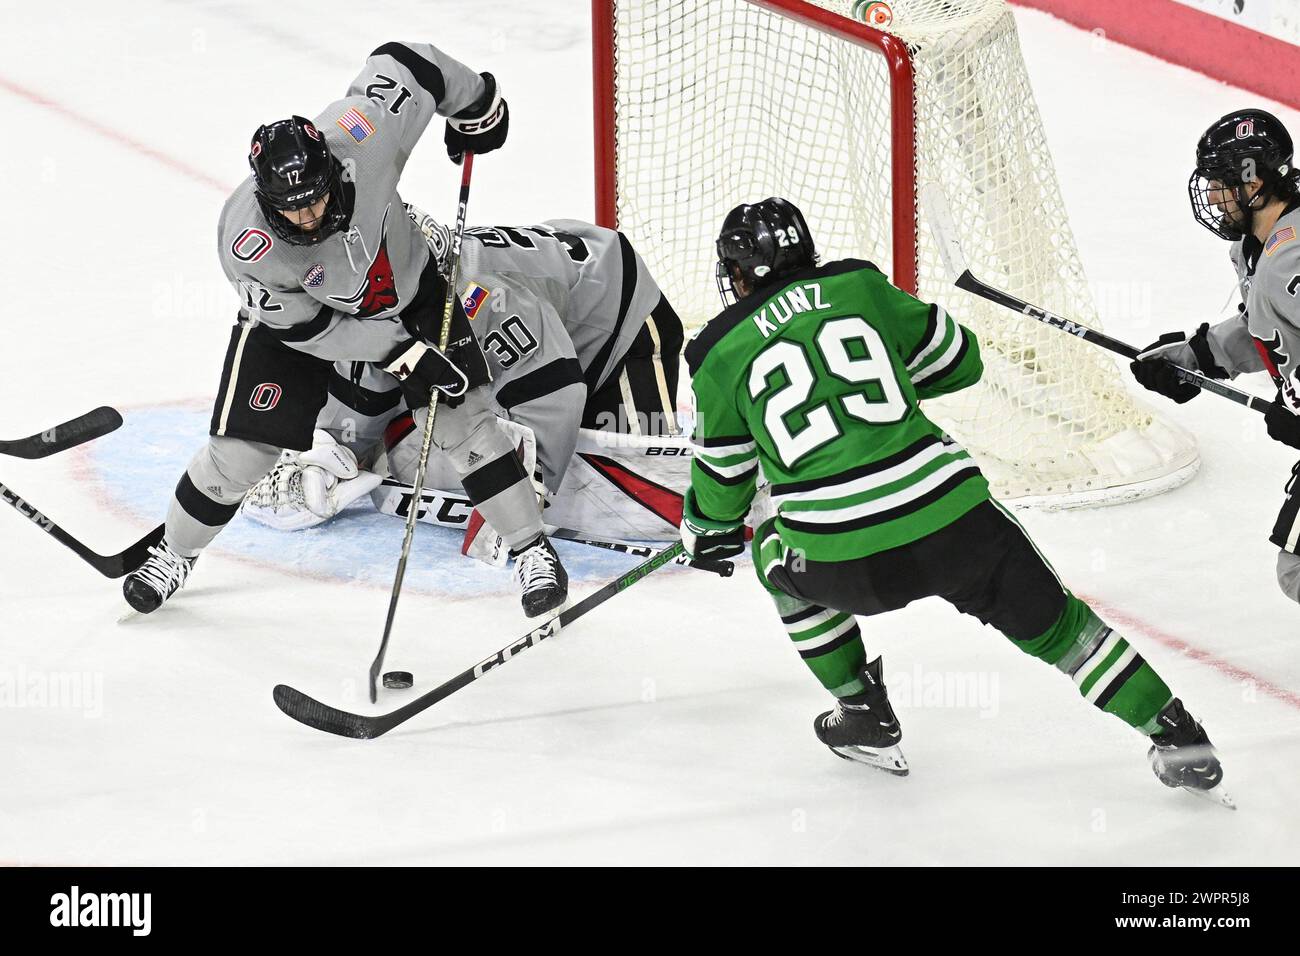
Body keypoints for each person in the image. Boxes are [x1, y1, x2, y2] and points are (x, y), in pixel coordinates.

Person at [680, 197, 1232, 805]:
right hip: (956, 524)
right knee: (1063, 629)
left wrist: (706, 532)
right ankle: (1177, 737)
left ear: (738, 273)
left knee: (777, 565)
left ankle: (862, 711)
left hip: (844, 564)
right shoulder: (856, 284)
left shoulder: (714, 352)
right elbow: (959, 360)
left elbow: (724, 484)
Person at [123, 41, 569, 618]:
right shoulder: (246, 243)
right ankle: (173, 553)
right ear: (265, 202)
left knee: (466, 422)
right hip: (305, 326)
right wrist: (403, 354)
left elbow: (412, 61)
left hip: (410, 293)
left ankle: (534, 551)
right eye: (291, 210)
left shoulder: (365, 135)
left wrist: (477, 102)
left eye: (315, 200)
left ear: (332, 168)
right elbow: (310, 331)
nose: (307, 218)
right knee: (241, 454)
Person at [240, 204, 685, 551]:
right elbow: (369, 357)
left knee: (641, 463)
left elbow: (553, 383)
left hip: (618, 310)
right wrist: (339, 446)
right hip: (552, 294)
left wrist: (528, 494)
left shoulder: (479, 298)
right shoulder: (390, 286)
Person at [1131, 108, 1300, 606]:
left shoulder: (1290, 257)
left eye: (1222, 183)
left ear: (1255, 182)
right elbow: (1269, 330)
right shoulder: (1258, 248)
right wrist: (1196, 357)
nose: (1213, 196)